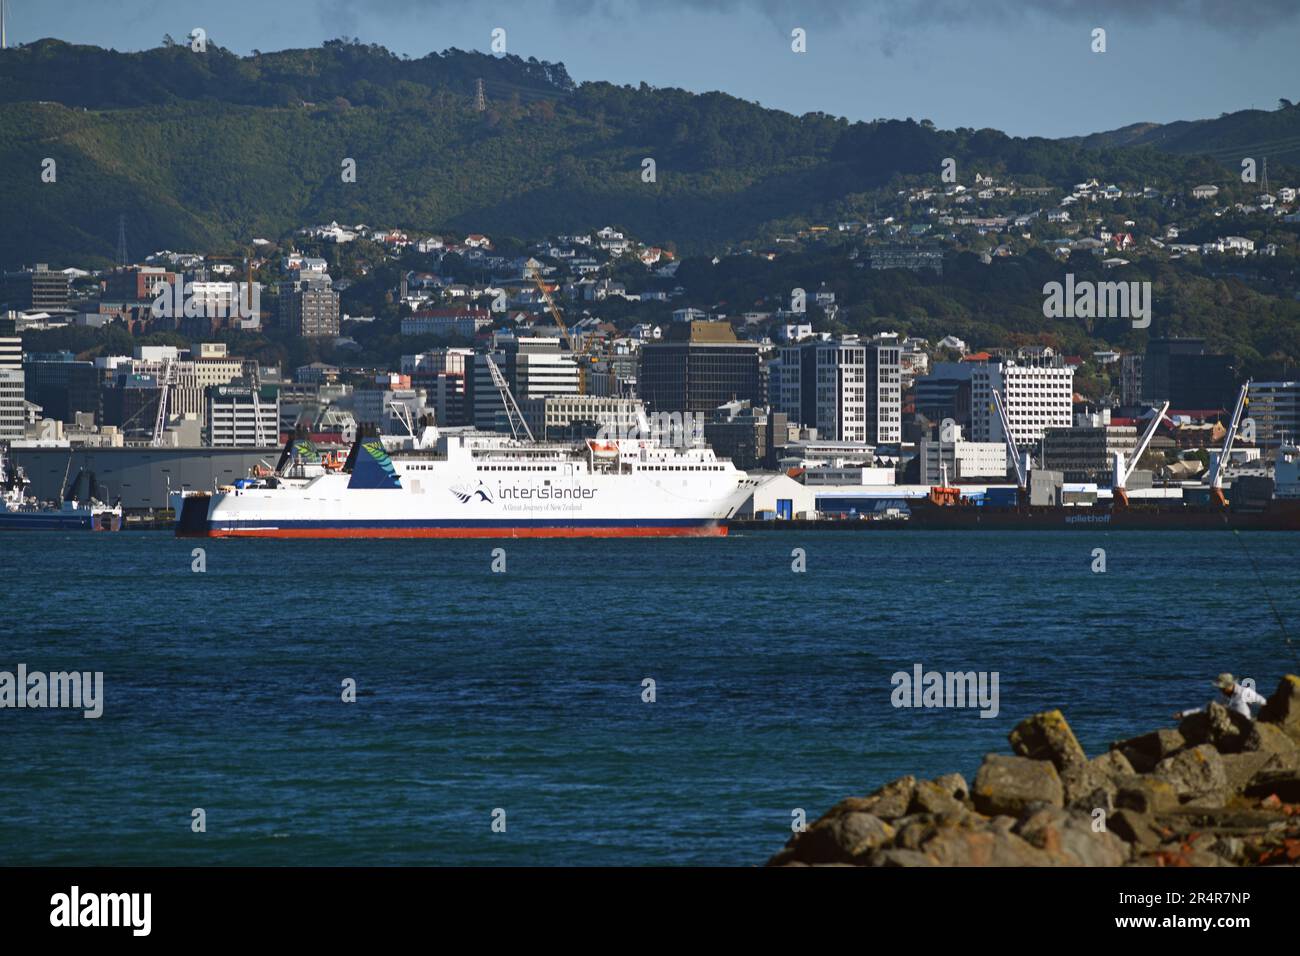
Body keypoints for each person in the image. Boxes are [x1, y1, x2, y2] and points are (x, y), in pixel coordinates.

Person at [1174, 673, 1268, 721]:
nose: (1220, 689)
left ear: (1229, 686)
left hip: (1248, 723)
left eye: (1222, 687)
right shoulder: (1221, 696)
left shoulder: (1245, 692)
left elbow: (1263, 702)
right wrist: (1184, 714)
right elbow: (1205, 708)